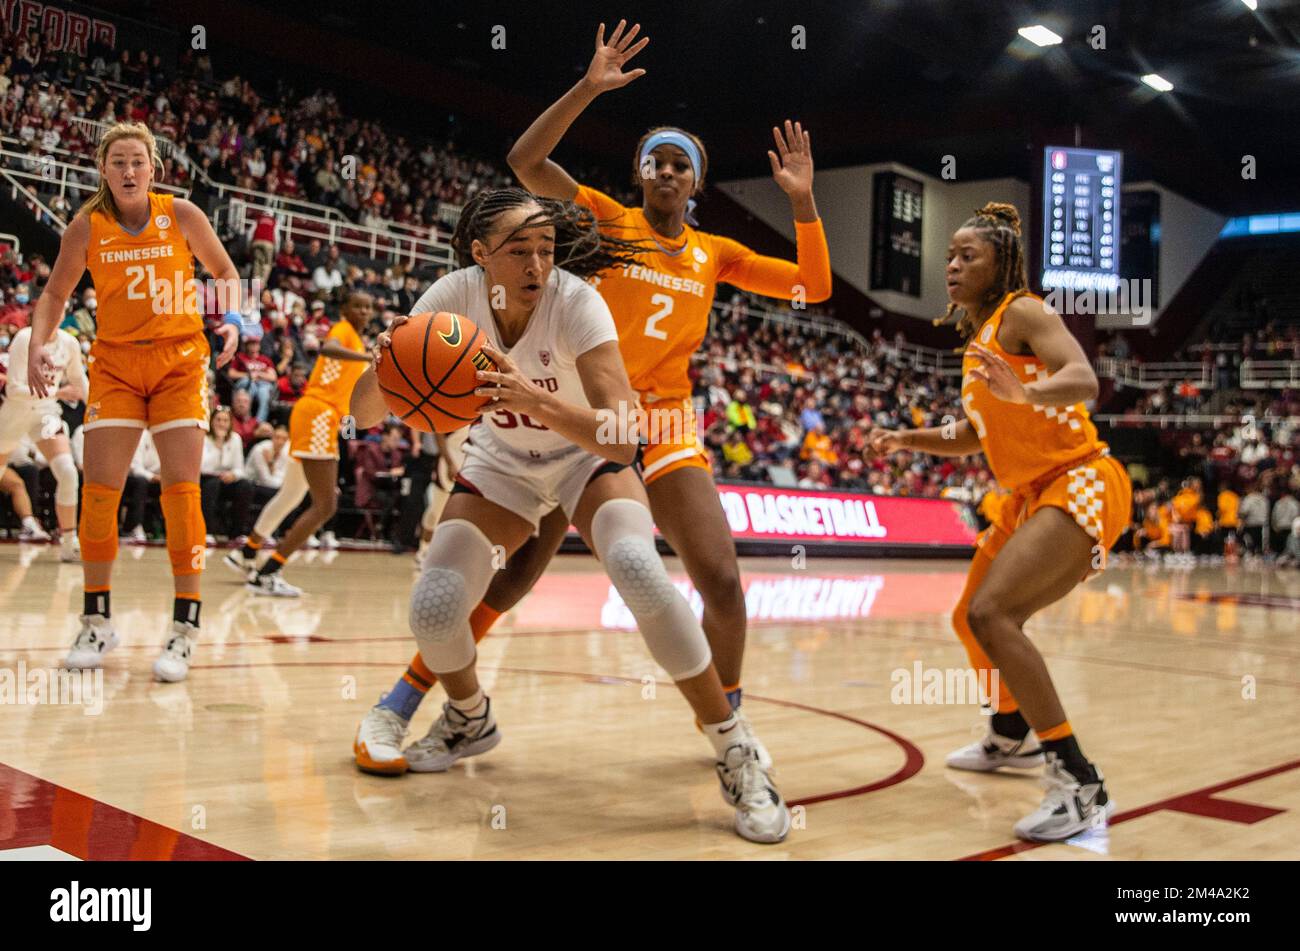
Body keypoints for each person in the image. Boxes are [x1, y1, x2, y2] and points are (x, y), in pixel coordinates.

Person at [369, 21, 832, 766]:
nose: (667, 171)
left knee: (719, 577)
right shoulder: (608, 222)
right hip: (577, 415)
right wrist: (589, 86)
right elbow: (524, 161)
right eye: (655, 161)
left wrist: (804, 206)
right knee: (514, 571)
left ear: (697, 181)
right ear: (640, 173)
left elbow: (813, 285)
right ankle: (418, 692)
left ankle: (729, 718)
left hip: (665, 424)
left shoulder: (718, 254)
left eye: (681, 163)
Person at [351, 188, 788, 842]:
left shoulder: (579, 302)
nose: (536, 265)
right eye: (518, 251)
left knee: (639, 567)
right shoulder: (449, 299)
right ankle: (470, 717)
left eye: (546, 251)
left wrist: (534, 398)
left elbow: (622, 437)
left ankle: (733, 741)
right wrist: (385, 362)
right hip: (503, 462)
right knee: (434, 605)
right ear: (480, 256)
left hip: (586, 457)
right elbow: (363, 414)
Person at [867, 203, 1131, 842]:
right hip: (1027, 495)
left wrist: (1028, 394)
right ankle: (1010, 732)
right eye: (950, 256)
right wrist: (907, 438)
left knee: (994, 616)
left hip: (1082, 481)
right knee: (967, 618)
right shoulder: (981, 341)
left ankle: (1078, 781)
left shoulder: (1024, 311)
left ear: (1000, 264)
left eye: (967, 256)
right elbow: (976, 435)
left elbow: (1082, 378)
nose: (952, 266)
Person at [25, 122, 240, 683]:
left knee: (181, 493)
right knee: (98, 497)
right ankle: (96, 619)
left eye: (137, 162)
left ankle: (184, 627)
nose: (128, 171)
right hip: (116, 363)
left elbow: (224, 272)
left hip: (180, 361)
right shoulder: (86, 227)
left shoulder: (182, 215)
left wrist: (236, 317)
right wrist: (39, 344)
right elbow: (54, 294)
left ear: (153, 169)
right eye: (117, 161)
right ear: (103, 168)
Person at [225, 291, 374, 596]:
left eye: (368, 307)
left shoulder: (358, 342)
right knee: (326, 504)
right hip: (318, 414)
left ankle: (248, 551)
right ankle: (268, 572)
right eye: (357, 305)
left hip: (318, 416)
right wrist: (366, 357)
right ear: (344, 308)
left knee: (292, 493)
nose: (363, 311)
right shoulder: (342, 332)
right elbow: (328, 349)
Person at [0, 325, 86, 559]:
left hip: (44, 414)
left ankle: (69, 542)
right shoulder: (24, 338)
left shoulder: (69, 343)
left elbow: (81, 383)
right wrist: (58, 393)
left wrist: (98, 414)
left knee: (68, 472)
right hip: (14, 413)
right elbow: (14, 389)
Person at [200, 405, 252, 542]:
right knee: (212, 485)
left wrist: (233, 475)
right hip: (206, 479)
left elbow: (240, 468)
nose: (221, 424)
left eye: (225, 420)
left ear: (230, 423)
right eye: (218, 420)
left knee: (245, 486)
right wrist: (218, 444)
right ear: (211, 421)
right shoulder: (204, 437)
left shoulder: (235, 439)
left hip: (227, 480)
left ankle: (237, 532)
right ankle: (207, 531)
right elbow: (203, 466)